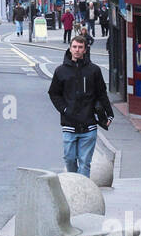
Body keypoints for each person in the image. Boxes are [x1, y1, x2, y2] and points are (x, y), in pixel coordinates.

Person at [46, 34, 113, 177]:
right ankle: (74, 184)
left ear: (85, 50)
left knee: (85, 162)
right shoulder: (60, 71)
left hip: (89, 125)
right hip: (69, 124)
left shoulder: (94, 70)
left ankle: (83, 192)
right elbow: (53, 93)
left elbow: (102, 93)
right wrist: (64, 109)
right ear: (70, 49)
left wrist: (109, 114)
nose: (77, 50)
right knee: (69, 159)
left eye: (80, 47)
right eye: (74, 47)